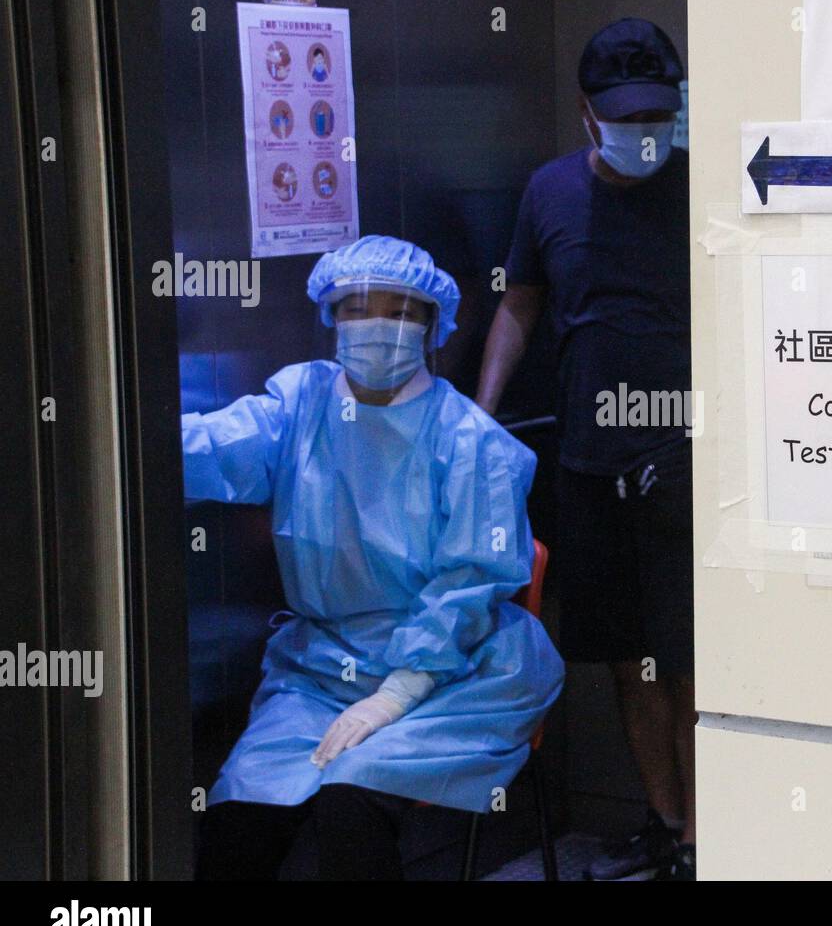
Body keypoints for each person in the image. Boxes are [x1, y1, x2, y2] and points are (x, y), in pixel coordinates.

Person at [184, 235, 564, 880]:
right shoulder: (301, 404)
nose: (376, 327)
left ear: (432, 325)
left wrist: (395, 695)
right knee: (240, 817)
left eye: (399, 311)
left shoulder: (474, 445)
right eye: (358, 308)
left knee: (351, 805)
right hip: (323, 668)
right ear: (332, 317)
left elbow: (469, 588)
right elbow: (213, 447)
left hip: (461, 673)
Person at [476, 18, 695, 881]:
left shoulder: (697, 187)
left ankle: (701, 843)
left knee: (689, 664)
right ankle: (663, 820)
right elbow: (519, 302)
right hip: (587, 464)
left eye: (658, 117)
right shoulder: (549, 193)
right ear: (586, 114)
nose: (645, 135)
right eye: (626, 118)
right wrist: (481, 410)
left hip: (684, 462)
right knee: (625, 661)